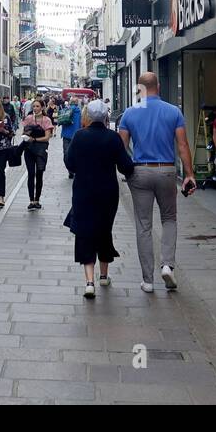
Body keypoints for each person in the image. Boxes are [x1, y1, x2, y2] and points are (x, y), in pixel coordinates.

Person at [117, 72, 196, 293]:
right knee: (169, 218)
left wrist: (127, 171)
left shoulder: (129, 114)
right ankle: (168, 265)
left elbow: (121, 147)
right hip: (166, 170)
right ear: (158, 87)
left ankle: (148, 281)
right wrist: (189, 174)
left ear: (139, 89)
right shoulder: (173, 111)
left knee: (143, 225)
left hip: (140, 172)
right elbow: (182, 145)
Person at [64, 100, 134, 298]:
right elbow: (125, 166)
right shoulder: (112, 138)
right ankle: (103, 276)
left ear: (87, 116)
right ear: (105, 117)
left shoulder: (79, 136)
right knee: (104, 231)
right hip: (107, 193)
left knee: (85, 233)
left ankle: (89, 282)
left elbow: (70, 164)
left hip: (83, 192)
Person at [21, 98, 54, 210]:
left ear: (42, 107)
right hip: (29, 150)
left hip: (40, 150)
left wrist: (34, 139)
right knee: (31, 174)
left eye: (37, 106)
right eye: (34, 106)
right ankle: (31, 200)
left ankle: (37, 200)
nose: (35, 108)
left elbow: (47, 137)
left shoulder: (46, 120)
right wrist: (26, 134)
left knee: (39, 174)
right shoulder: (29, 118)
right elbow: (24, 133)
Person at [60, 96, 82, 179]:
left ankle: (70, 170)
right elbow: (80, 123)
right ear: (76, 103)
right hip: (76, 135)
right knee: (76, 154)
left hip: (66, 135)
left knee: (66, 153)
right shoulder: (79, 111)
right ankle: (74, 169)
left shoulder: (65, 110)